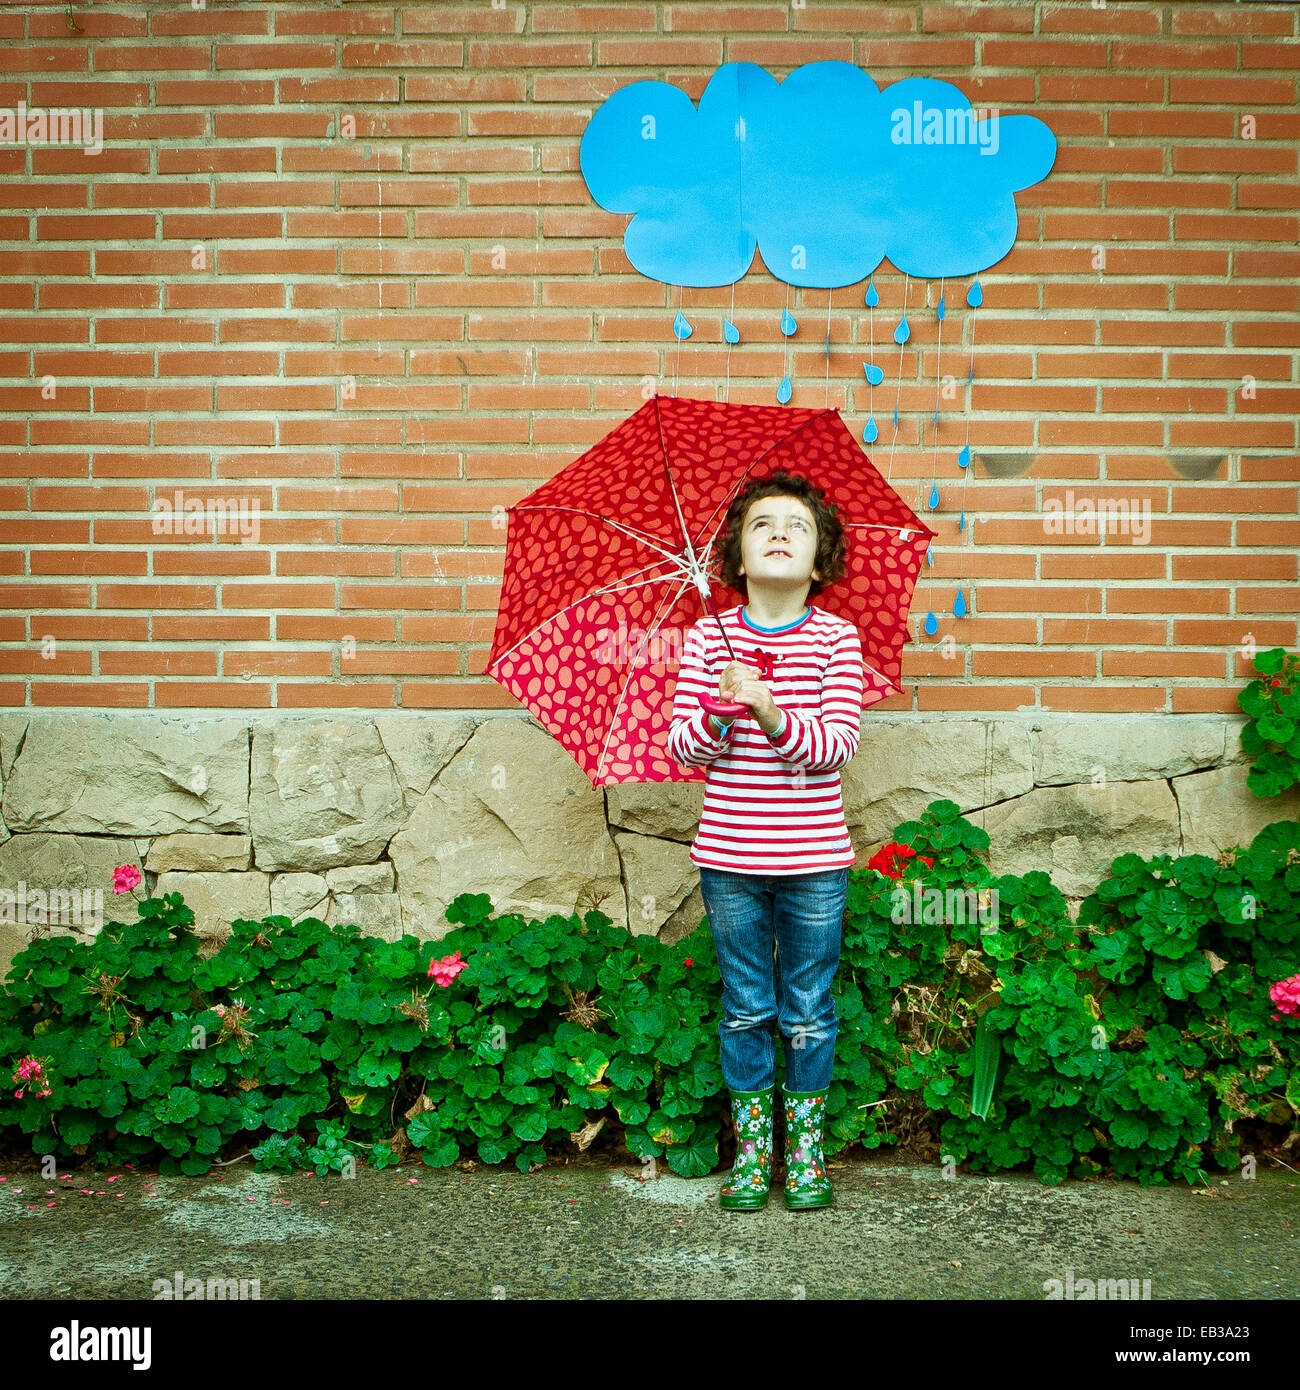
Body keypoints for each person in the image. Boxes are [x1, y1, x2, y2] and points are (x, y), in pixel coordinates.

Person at [667, 469, 865, 1212]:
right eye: (761, 525)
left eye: (796, 527)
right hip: (730, 860)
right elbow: (683, 749)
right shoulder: (706, 641)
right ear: (738, 558)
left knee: (808, 1009)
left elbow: (835, 747)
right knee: (747, 1006)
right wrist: (721, 712)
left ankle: (806, 1152)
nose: (778, 534)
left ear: (818, 561)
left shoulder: (836, 640)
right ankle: (754, 1154)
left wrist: (772, 712)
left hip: (814, 862)